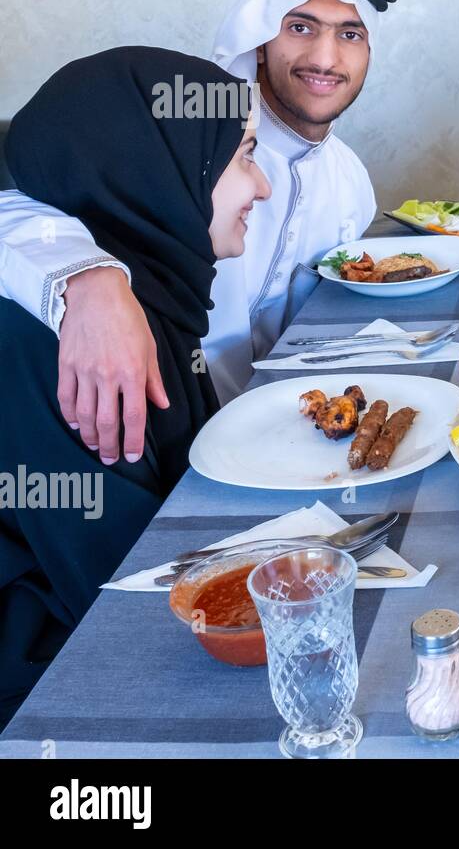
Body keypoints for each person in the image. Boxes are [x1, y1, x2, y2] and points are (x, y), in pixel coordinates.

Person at [0, 0, 396, 464]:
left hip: (291, 438)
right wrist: (88, 282)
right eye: (300, 28)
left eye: (350, 35)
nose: (325, 58)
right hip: (163, 441)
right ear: (257, 42)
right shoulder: (188, 139)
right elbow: (23, 200)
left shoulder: (351, 179)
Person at [0, 47, 271, 725]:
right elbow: (134, 587)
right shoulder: (68, 349)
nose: (261, 186)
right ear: (159, 168)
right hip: (60, 678)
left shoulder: (146, 293)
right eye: (242, 155)